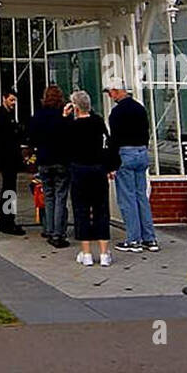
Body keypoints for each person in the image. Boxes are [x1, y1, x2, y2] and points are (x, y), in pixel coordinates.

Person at [63, 90, 111, 266]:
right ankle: (104, 253)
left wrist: (65, 117)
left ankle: (86, 252)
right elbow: (108, 144)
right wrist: (109, 166)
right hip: (98, 170)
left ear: (74, 107)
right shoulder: (98, 122)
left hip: (79, 171)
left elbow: (64, 146)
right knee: (101, 209)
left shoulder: (72, 126)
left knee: (81, 210)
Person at [107, 86, 159, 252]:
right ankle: (149, 238)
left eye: (110, 92)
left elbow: (114, 139)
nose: (110, 95)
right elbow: (146, 132)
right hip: (141, 152)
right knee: (141, 196)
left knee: (127, 198)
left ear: (117, 91)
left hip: (125, 153)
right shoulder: (140, 108)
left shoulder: (116, 113)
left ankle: (133, 239)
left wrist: (112, 163)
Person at [27, 84, 70, 248]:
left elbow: (32, 137)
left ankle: (49, 229)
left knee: (49, 196)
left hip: (44, 159)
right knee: (61, 197)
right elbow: (68, 134)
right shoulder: (63, 115)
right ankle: (58, 232)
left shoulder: (38, 115)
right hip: (61, 160)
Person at [0, 91, 26, 235]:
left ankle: (9, 220)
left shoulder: (7, 115)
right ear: (3, 98)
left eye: (15, 100)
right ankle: (7, 222)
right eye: (11, 100)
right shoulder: (1, 116)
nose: (13, 103)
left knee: (10, 189)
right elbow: (8, 135)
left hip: (10, 157)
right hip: (8, 158)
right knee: (9, 190)